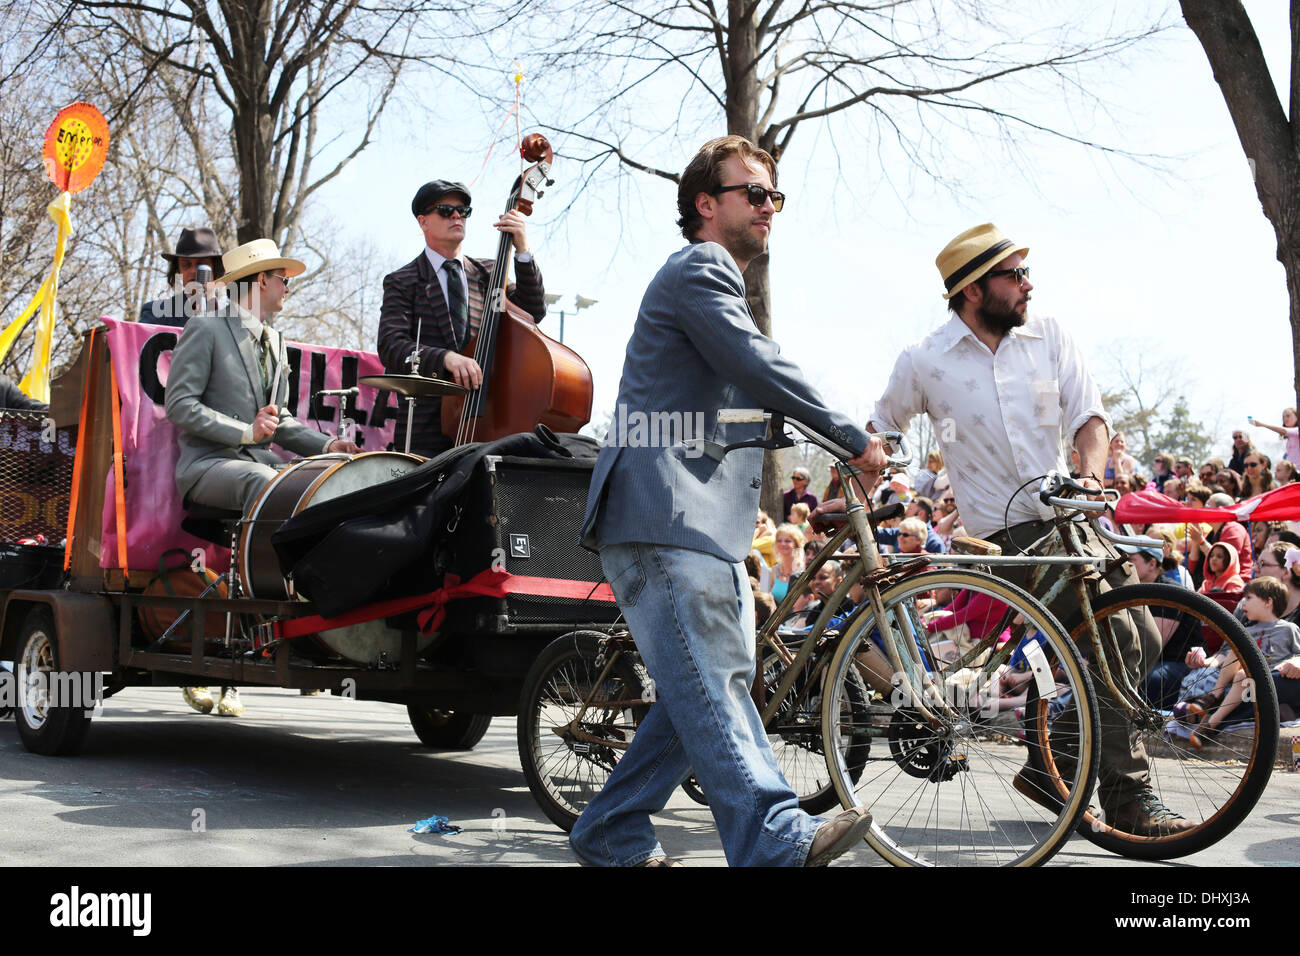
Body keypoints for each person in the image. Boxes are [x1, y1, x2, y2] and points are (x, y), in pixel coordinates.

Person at [574, 135, 884, 867]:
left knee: (700, 691)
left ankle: (609, 828)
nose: (768, 205)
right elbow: (755, 363)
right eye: (753, 192)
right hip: (664, 514)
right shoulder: (700, 266)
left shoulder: (713, 288)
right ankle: (775, 839)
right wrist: (846, 434)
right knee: (713, 681)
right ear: (706, 205)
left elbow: (734, 404)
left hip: (693, 522)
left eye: (775, 195)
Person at [867, 222, 1188, 836]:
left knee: (1142, 639)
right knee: (1117, 647)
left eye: (1025, 273)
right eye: (1014, 276)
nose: (1028, 286)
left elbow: (1090, 417)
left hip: (1074, 514)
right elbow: (884, 424)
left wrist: (1092, 479)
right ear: (970, 291)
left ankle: (1053, 764)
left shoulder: (1051, 336)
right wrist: (880, 459)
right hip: (1008, 536)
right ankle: (1130, 799)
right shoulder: (925, 359)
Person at [165, 238, 360, 717]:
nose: (289, 287)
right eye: (283, 278)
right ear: (258, 281)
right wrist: (244, 430)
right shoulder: (207, 326)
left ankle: (303, 617)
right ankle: (264, 621)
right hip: (206, 467)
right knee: (265, 483)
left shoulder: (275, 340)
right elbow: (179, 405)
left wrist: (328, 448)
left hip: (257, 465)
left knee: (316, 482)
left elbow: (284, 422)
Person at [375, 180, 547, 457]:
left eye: (463, 210)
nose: (457, 216)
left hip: (490, 420)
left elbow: (533, 311)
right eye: (445, 211)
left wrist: (523, 250)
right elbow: (391, 346)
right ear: (423, 222)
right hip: (427, 430)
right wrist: (445, 358)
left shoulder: (490, 272)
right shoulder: (402, 281)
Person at [140, 226, 224, 328]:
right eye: (186, 265)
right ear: (178, 271)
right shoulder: (156, 314)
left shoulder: (231, 317)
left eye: (201, 264)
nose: (193, 271)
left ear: (215, 269)